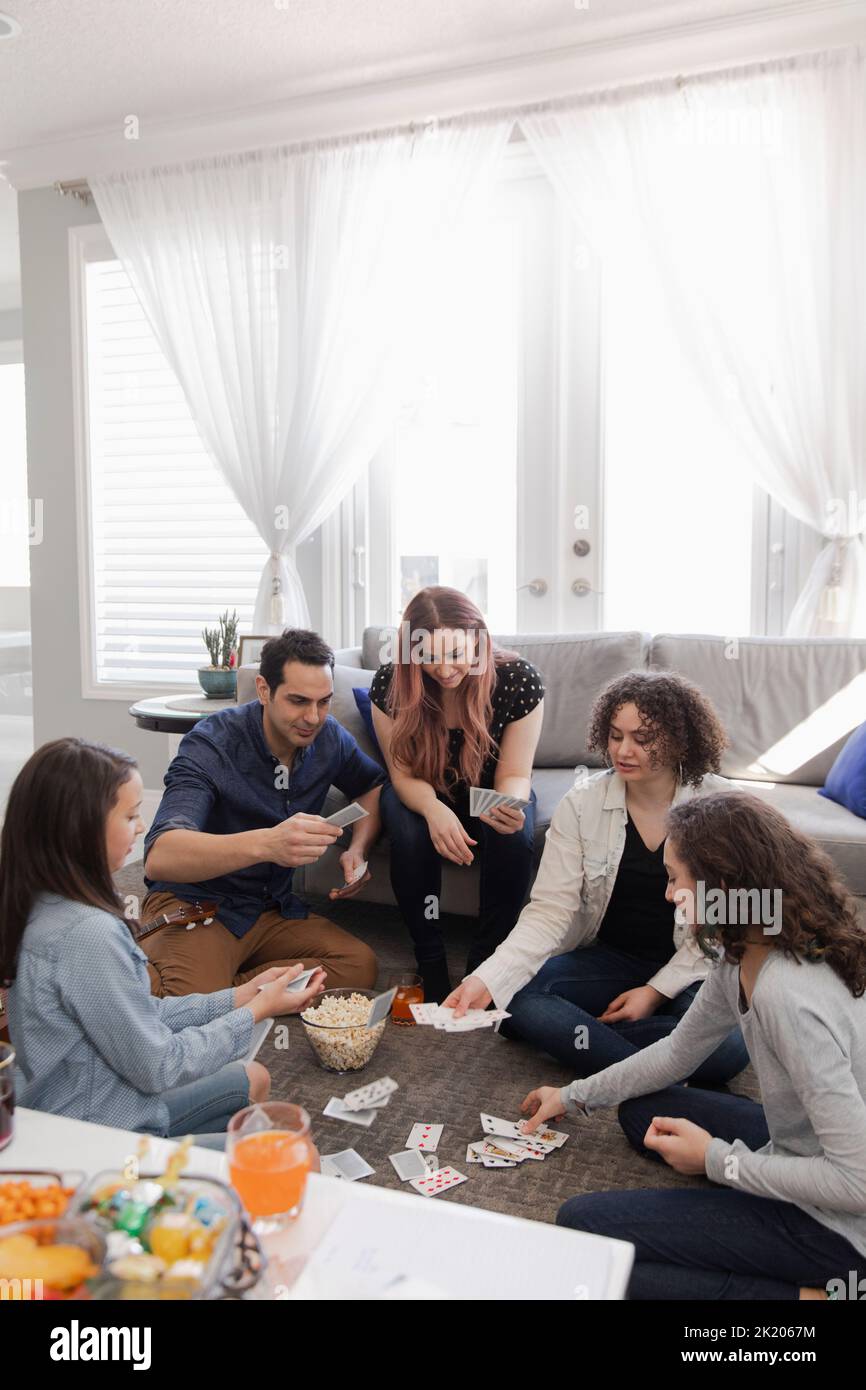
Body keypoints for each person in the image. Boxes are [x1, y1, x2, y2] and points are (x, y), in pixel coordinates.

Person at [521, 790, 866, 1301]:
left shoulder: (788, 997)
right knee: (643, 1113)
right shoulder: (745, 948)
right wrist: (572, 1095)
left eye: (674, 878)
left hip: (844, 1224)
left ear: (722, 885)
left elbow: (857, 1182)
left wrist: (717, 1160)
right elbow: (678, 1052)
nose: (668, 895)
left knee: (582, 1232)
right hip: (809, 1141)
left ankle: (817, 1298)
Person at [0, 739, 326, 1146]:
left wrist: (239, 997)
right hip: (99, 1136)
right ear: (81, 827)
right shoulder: (88, 934)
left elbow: (141, 1013)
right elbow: (160, 1065)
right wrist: (256, 1012)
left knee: (253, 1078)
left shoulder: (41, 900)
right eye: (132, 815)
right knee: (298, 1156)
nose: (141, 827)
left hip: (90, 1098)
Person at [445, 670, 748, 1085]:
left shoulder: (721, 808)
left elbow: (722, 932)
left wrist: (656, 992)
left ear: (681, 739)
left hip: (697, 966)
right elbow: (550, 911)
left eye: (643, 739)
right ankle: (663, 1071)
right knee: (520, 999)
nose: (623, 750)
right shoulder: (582, 803)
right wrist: (488, 975)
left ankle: (613, 1055)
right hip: (612, 958)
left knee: (731, 1047)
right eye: (615, 735)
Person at [142, 629, 384, 998]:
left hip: (271, 910)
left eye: (323, 702)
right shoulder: (211, 744)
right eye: (298, 701)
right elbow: (161, 856)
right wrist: (268, 844)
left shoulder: (329, 737)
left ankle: (224, 993)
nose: (313, 717)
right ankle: (202, 990)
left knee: (359, 966)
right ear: (263, 689)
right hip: (197, 904)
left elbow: (371, 786)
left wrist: (358, 849)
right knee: (182, 1013)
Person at [371, 587, 544, 1002]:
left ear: (479, 639)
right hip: (423, 791)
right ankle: (429, 961)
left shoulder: (519, 680)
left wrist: (510, 802)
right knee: (410, 833)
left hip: (487, 791)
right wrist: (433, 810)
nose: (443, 669)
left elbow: (516, 773)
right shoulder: (391, 684)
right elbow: (403, 775)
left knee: (513, 835)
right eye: (428, 657)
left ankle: (486, 964)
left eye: (454, 653)